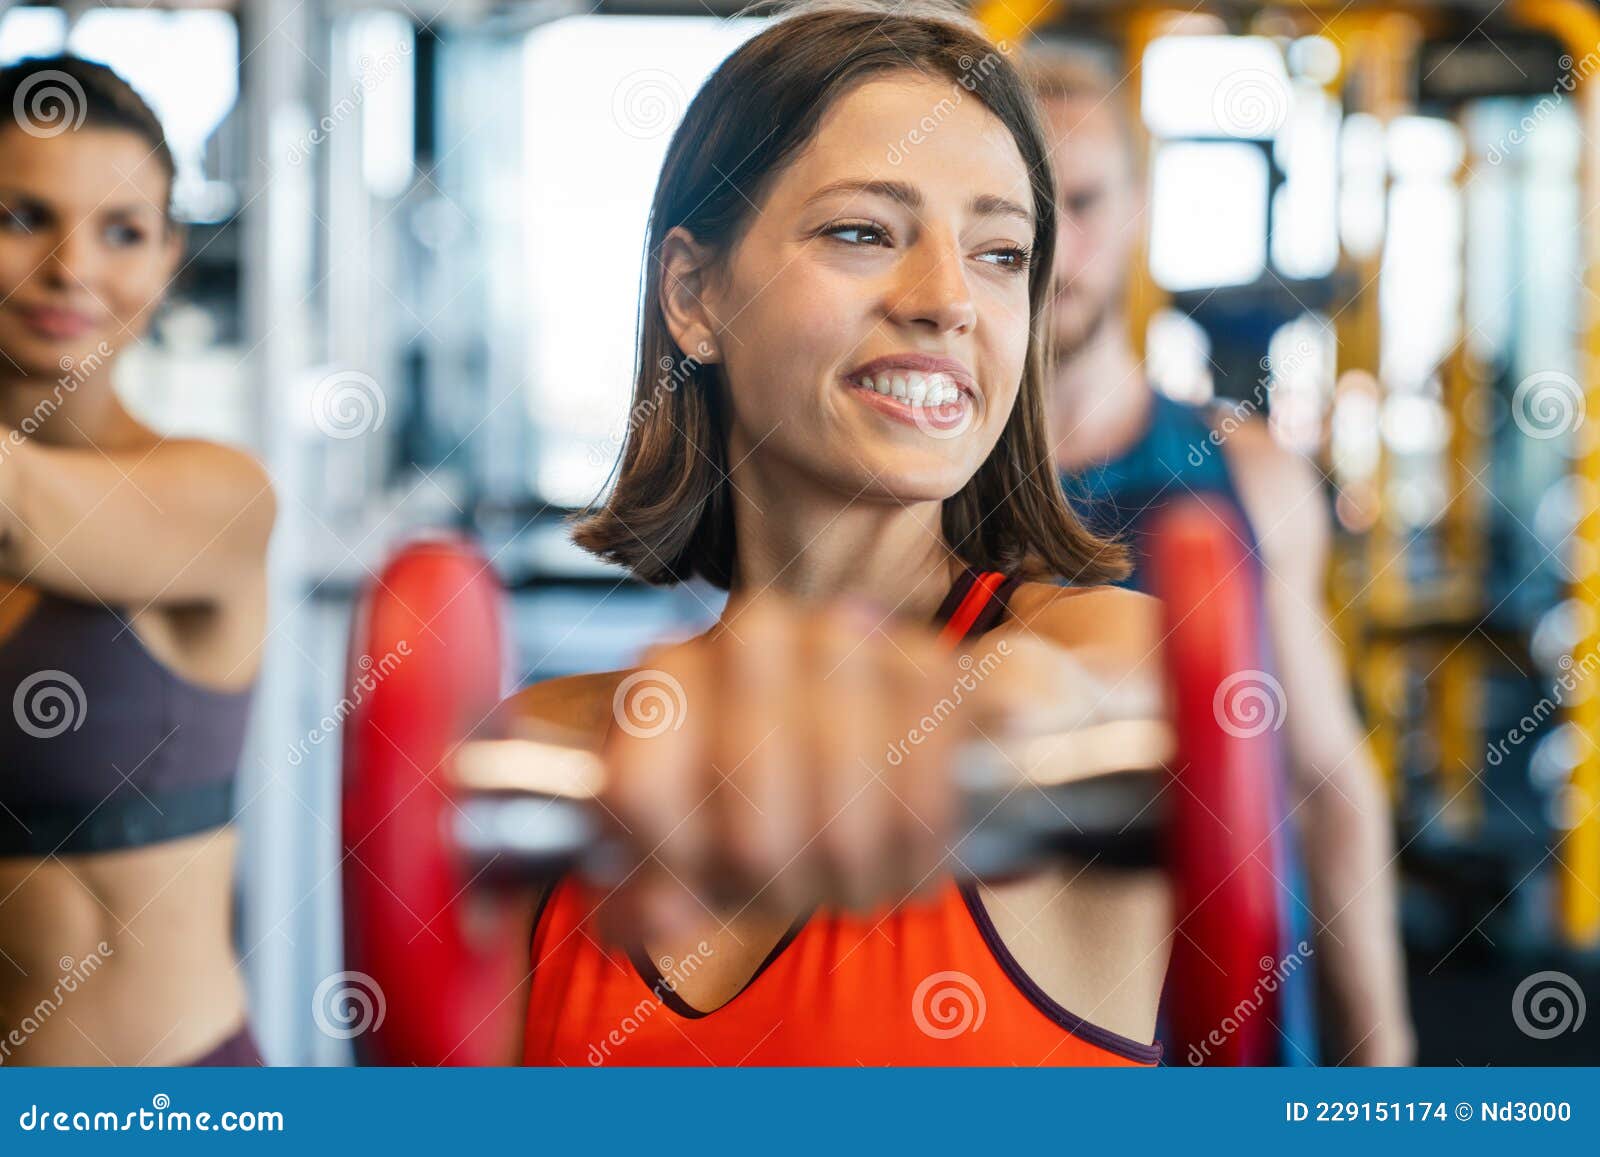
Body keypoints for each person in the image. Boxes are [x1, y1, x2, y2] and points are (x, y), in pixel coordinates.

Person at [505, 0, 1176, 1067]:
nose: (949, 299)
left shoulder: (1104, 652)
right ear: (694, 294)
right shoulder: (544, 763)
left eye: (1001, 252)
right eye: (863, 230)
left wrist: (969, 718)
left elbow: (1105, 701)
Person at [1027, 48, 1415, 1065]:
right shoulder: (922, 492)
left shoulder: (1248, 478)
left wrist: (1383, 1064)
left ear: (1139, 209)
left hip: (1233, 1047)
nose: (1054, 246)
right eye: (1021, 207)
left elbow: (1324, 782)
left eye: (1085, 201)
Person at [0, 55, 276, 1065]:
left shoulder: (219, 497)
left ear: (165, 262)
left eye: (122, 232)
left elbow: (24, 506)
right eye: (23, 217)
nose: (71, 267)